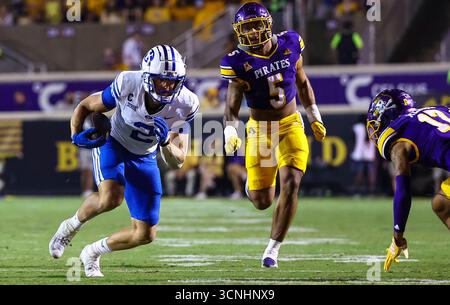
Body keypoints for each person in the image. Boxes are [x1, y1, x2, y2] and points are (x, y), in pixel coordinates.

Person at [49, 45, 199, 277]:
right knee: (111, 198)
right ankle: (69, 227)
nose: (168, 86)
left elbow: (178, 161)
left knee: (145, 235)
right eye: (161, 81)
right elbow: (86, 105)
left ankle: (92, 252)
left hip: (146, 156)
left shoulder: (187, 102)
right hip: (115, 144)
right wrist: (75, 135)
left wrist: (166, 143)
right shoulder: (129, 82)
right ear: (148, 76)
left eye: (173, 81)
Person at [221, 2, 326, 268]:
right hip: (260, 131)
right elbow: (231, 107)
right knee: (262, 201)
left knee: (291, 183)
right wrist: (230, 132)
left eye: (256, 25)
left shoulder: (291, 43)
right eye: (247, 28)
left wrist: (314, 116)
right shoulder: (237, 62)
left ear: (267, 24)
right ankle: (251, 187)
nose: (253, 32)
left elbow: (302, 81)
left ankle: (273, 249)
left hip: (290, 124)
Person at [366, 88, 450, 272]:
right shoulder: (436, 110)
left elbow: (403, 192)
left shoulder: (399, 142)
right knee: (441, 204)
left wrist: (398, 235)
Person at [350, 114, 377, 195]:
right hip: (367, 154)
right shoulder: (371, 128)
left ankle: (358, 192)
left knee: (361, 174)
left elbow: (352, 140)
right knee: (368, 174)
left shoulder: (358, 127)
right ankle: (370, 192)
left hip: (360, 154)